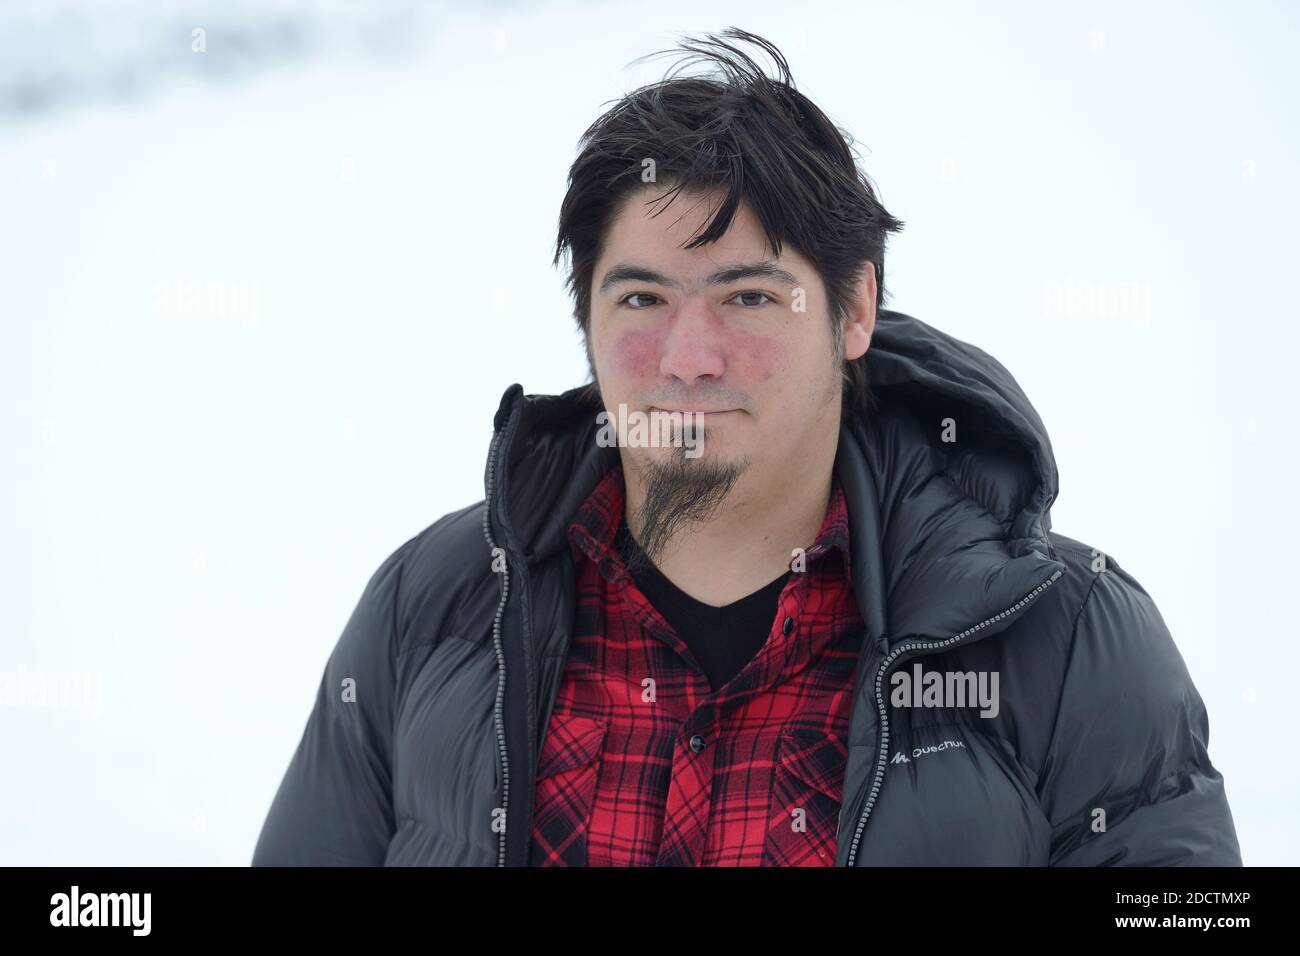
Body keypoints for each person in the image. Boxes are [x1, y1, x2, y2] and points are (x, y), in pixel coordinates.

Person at [252, 28, 1241, 866]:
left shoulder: (1061, 641)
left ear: (854, 309)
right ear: (584, 321)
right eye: (640, 297)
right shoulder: (437, 605)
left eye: (748, 297)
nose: (686, 356)